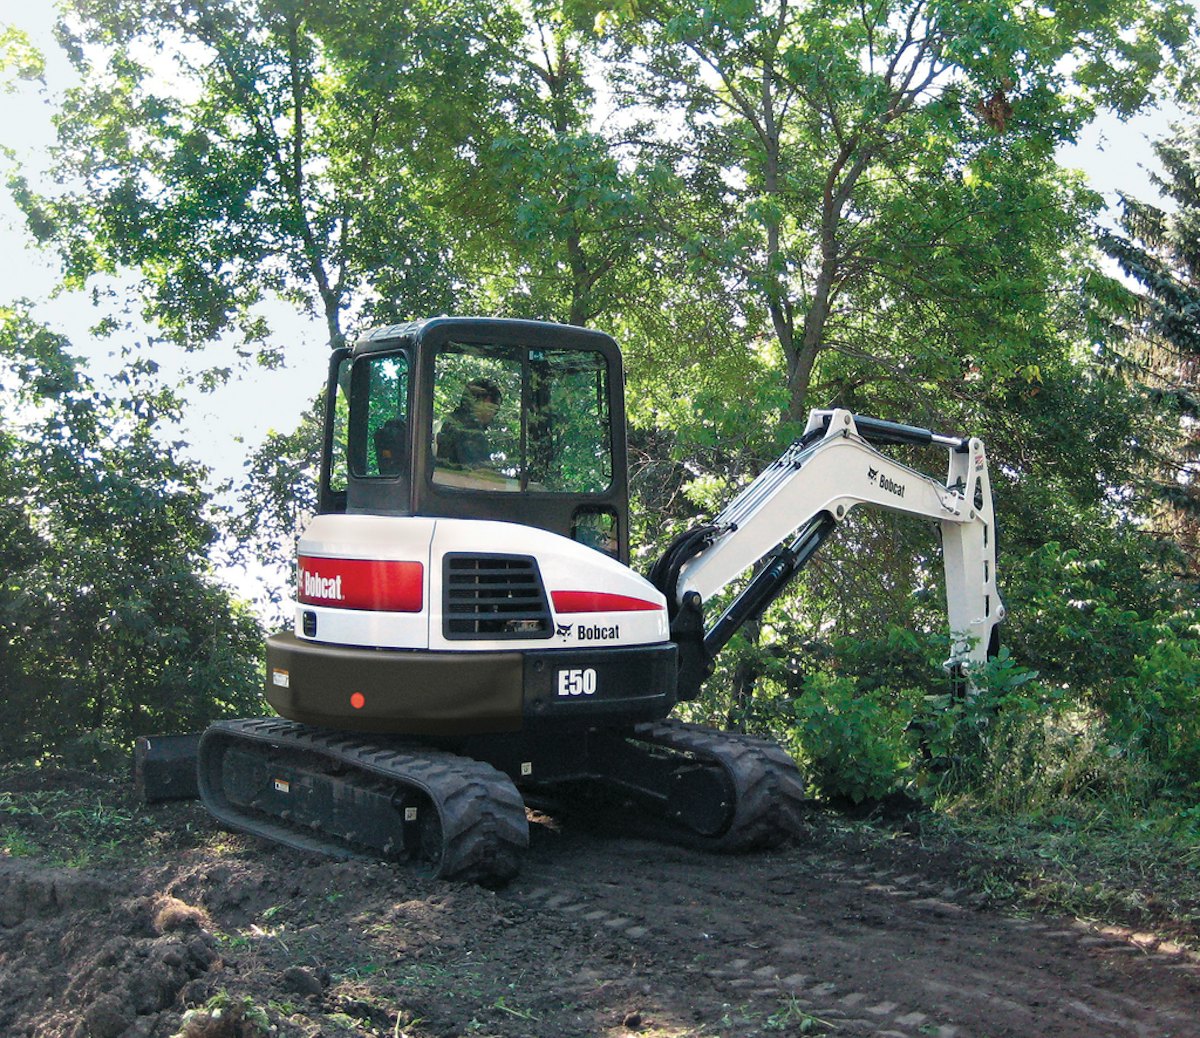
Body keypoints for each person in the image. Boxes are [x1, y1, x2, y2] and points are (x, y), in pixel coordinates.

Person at [436, 377, 502, 470]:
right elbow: (482, 475)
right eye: (495, 410)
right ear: (487, 401)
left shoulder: (452, 422)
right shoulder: (470, 430)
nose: (492, 417)